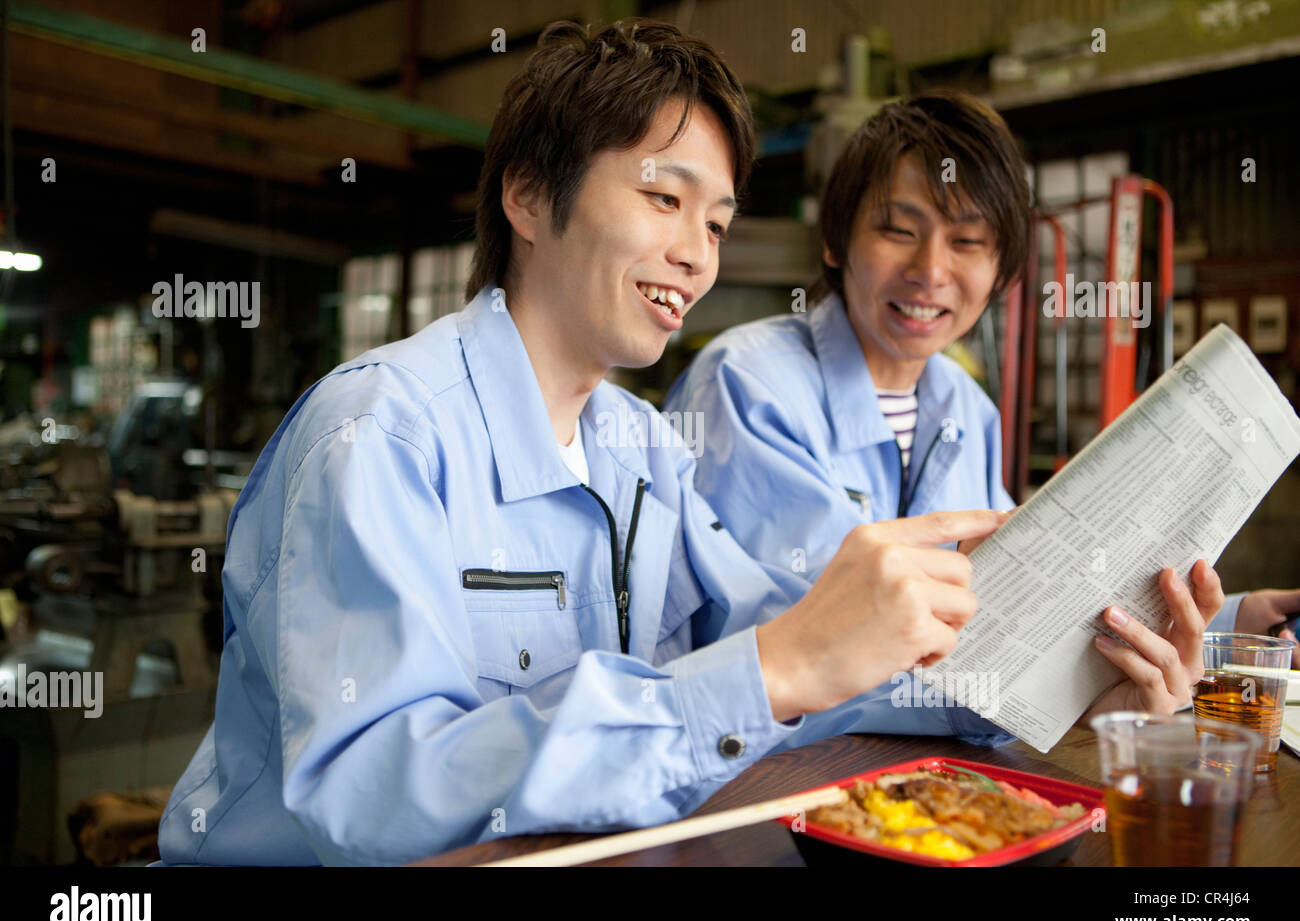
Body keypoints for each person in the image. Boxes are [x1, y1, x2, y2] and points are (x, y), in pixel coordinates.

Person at [157, 26, 1219, 866]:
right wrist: (772, 665)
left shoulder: (638, 447)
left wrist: (1060, 685)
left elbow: (804, 659)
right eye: (662, 198)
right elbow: (366, 798)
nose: (693, 254)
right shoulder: (383, 435)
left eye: (713, 222)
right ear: (528, 194)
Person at [664, 91, 1238, 728]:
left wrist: (1129, 671)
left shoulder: (965, 405)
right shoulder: (747, 384)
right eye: (899, 231)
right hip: (771, 788)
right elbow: (808, 657)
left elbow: (1009, 600)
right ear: (835, 241)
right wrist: (1049, 703)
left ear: (1001, 272)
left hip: (927, 783)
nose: (930, 270)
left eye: (967, 241)